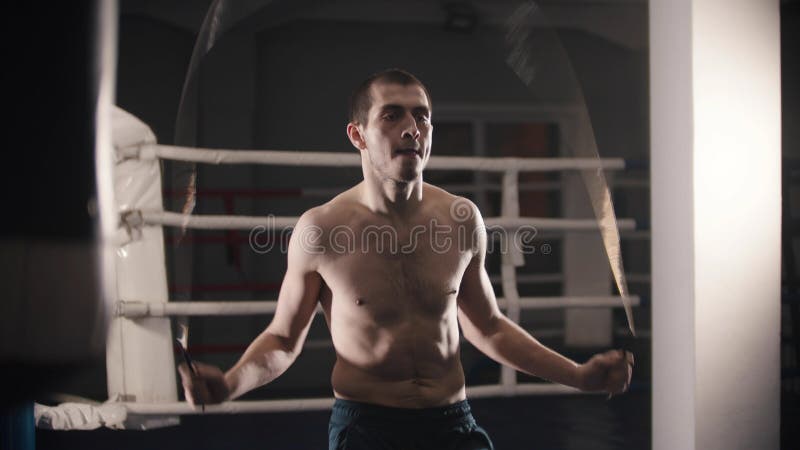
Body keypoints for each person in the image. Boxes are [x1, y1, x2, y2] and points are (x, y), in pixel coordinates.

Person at [178, 68, 634, 450]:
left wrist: (577, 376)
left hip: (453, 421)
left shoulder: (460, 217)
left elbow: (488, 325)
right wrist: (231, 384)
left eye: (422, 116)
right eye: (392, 115)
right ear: (358, 135)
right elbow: (282, 338)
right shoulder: (321, 229)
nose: (411, 128)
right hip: (368, 429)